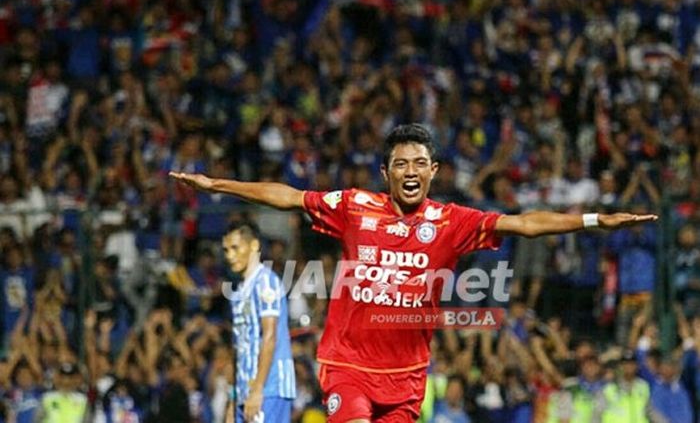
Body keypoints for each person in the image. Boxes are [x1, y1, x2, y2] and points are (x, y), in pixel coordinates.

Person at [171, 124, 657, 423]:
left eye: (419, 163)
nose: (410, 170)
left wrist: (596, 219)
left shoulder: (453, 221)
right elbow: (289, 195)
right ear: (385, 172)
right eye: (400, 163)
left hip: (406, 376)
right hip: (348, 365)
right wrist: (218, 185)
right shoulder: (355, 207)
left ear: (434, 170)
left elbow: (526, 224)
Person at [222, 222, 296, 423]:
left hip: (269, 388)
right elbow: (239, 349)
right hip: (245, 390)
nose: (230, 255)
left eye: (235, 248)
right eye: (226, 250)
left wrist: (257, 390)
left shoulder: (266, 282)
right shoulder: (238, 292)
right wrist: (232, 399)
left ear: (254, 245)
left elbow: (269, 336)